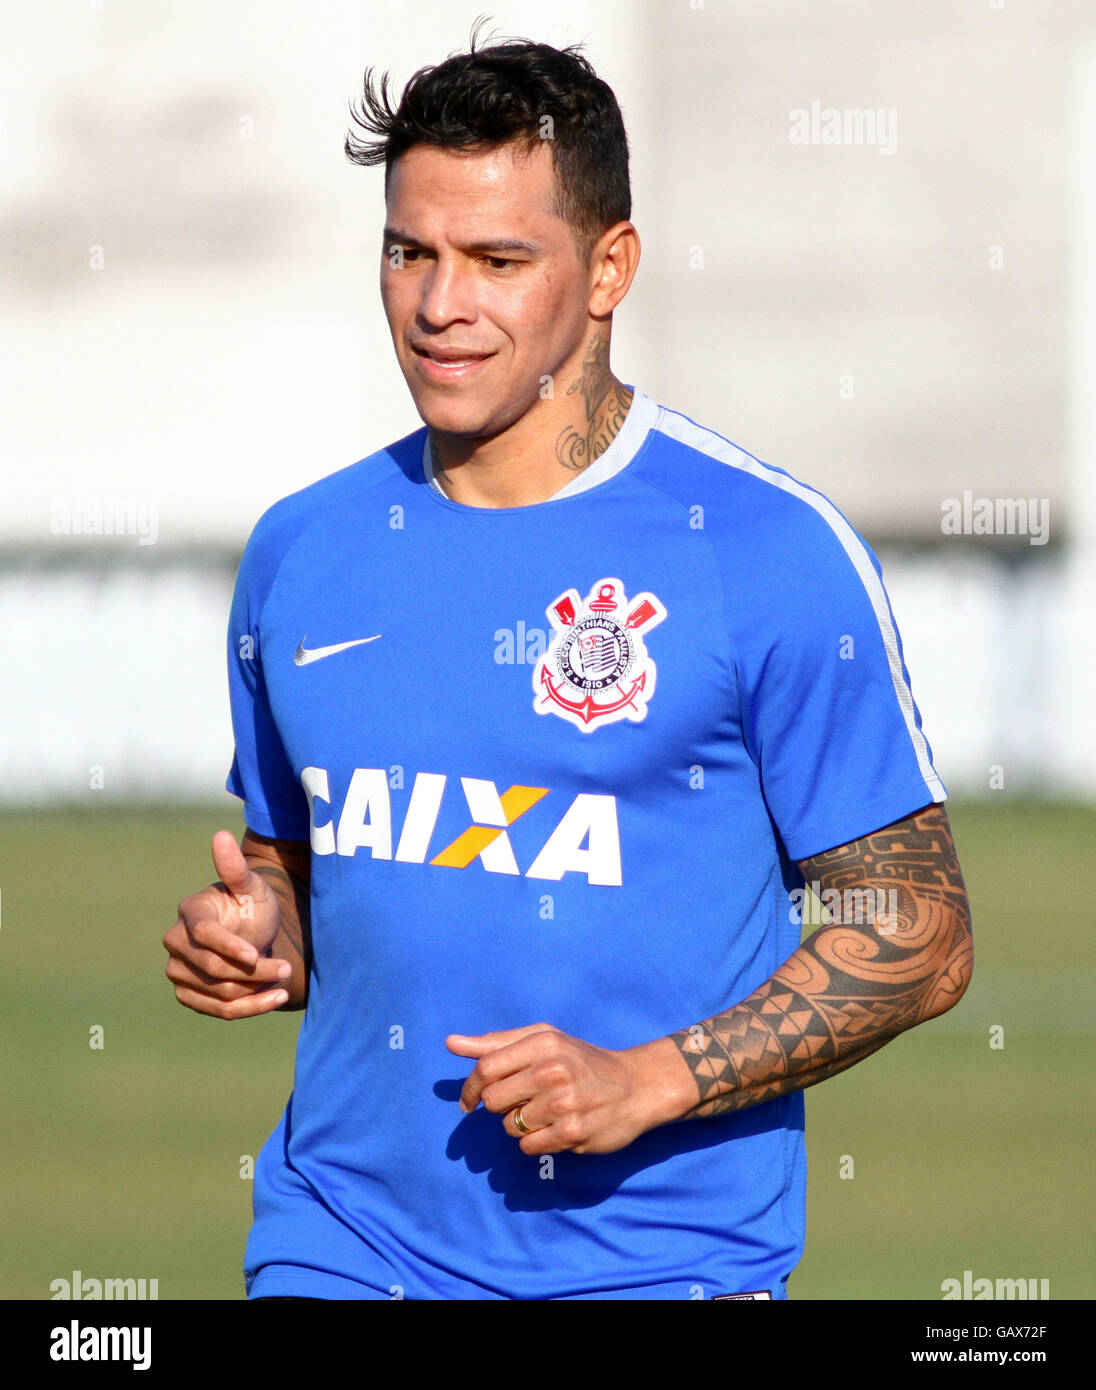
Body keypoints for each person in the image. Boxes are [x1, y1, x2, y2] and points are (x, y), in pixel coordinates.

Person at [163, 30, 973, 1301]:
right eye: (408, 252)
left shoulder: (762, 552)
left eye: (498, 261)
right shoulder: (302, 551)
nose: (440, 306)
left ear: (609, 270)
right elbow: (303, 868)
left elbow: (916, 930)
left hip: (655, 1267)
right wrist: (262, 934)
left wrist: (645, 1078)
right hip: (340, 1245)